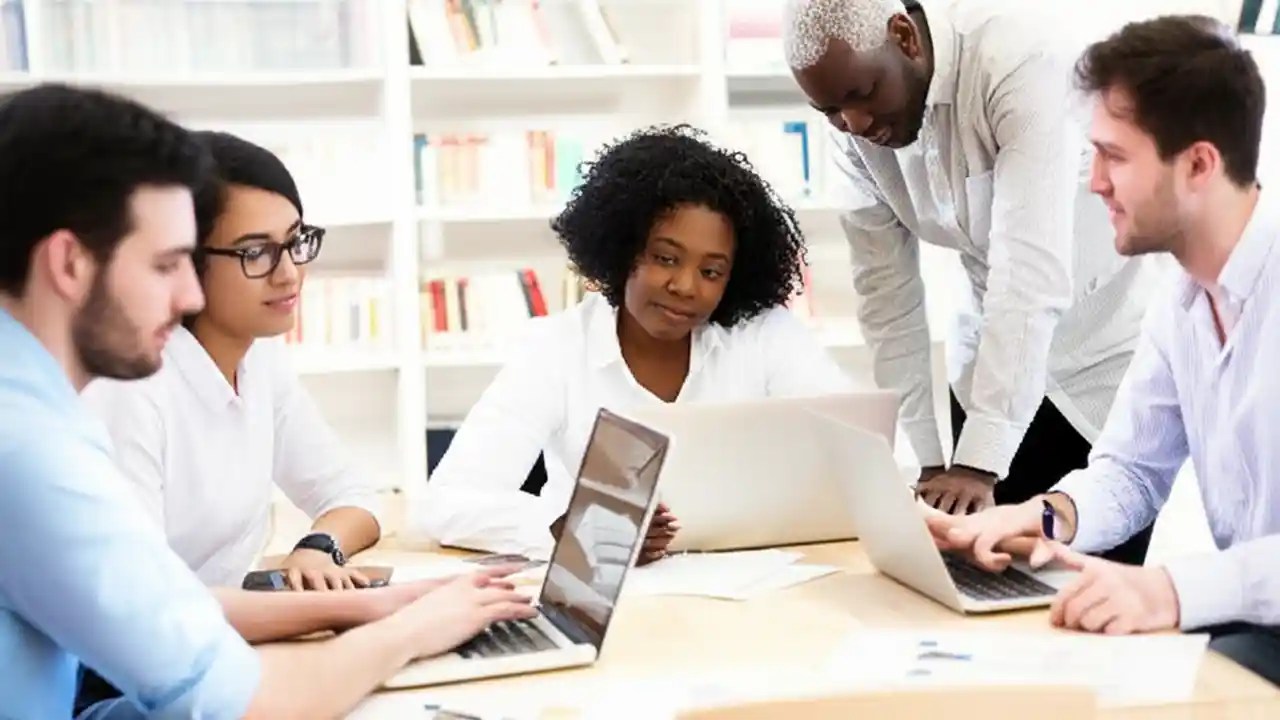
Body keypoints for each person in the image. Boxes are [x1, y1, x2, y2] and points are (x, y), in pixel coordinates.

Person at [0, 82, 534, 718]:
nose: (189, 298)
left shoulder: (38, 412)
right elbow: (246, 706)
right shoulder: (27, 448)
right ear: (70, 264)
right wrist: (411, 628)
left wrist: (377, 608)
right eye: (166, 266)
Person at [927, 15, 1280, 687]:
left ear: (1199, 164)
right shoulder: (1181, 297)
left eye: (1114, 156)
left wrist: (1169, 591)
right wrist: (1040, 519)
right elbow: (1131, 474)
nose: (1093, 183)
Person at [781, 0, 1166, 565]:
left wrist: (979, 461)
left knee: (1086, 599)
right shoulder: (851, 129)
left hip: (1096, 368)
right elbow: (887, 297)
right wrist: (929, 456)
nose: (854, 123)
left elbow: (1028, 273)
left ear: (904, 37)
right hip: (990, 369)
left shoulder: (1018, 61)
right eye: (830, 110)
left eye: (863, 94)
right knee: (981, 596)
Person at [411, 124, 856, 562]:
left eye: (711, 271)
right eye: (665, 258)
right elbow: (449, 503)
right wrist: (573, 527)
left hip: (754, 585)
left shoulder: (764, 335)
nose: (685, 286)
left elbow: (865, 453)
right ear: (624, 252)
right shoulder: (555, 348)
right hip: (604, 592)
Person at [83, 131, 381, 593]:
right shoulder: (129, 390)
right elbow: (143, 597)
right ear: (184, 261)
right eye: (255, 252)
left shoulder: (260, 360)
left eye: (296, 241)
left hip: (222, 631)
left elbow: (354, 495)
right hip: (153, 649)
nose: (289, 274)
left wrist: (320, 547)